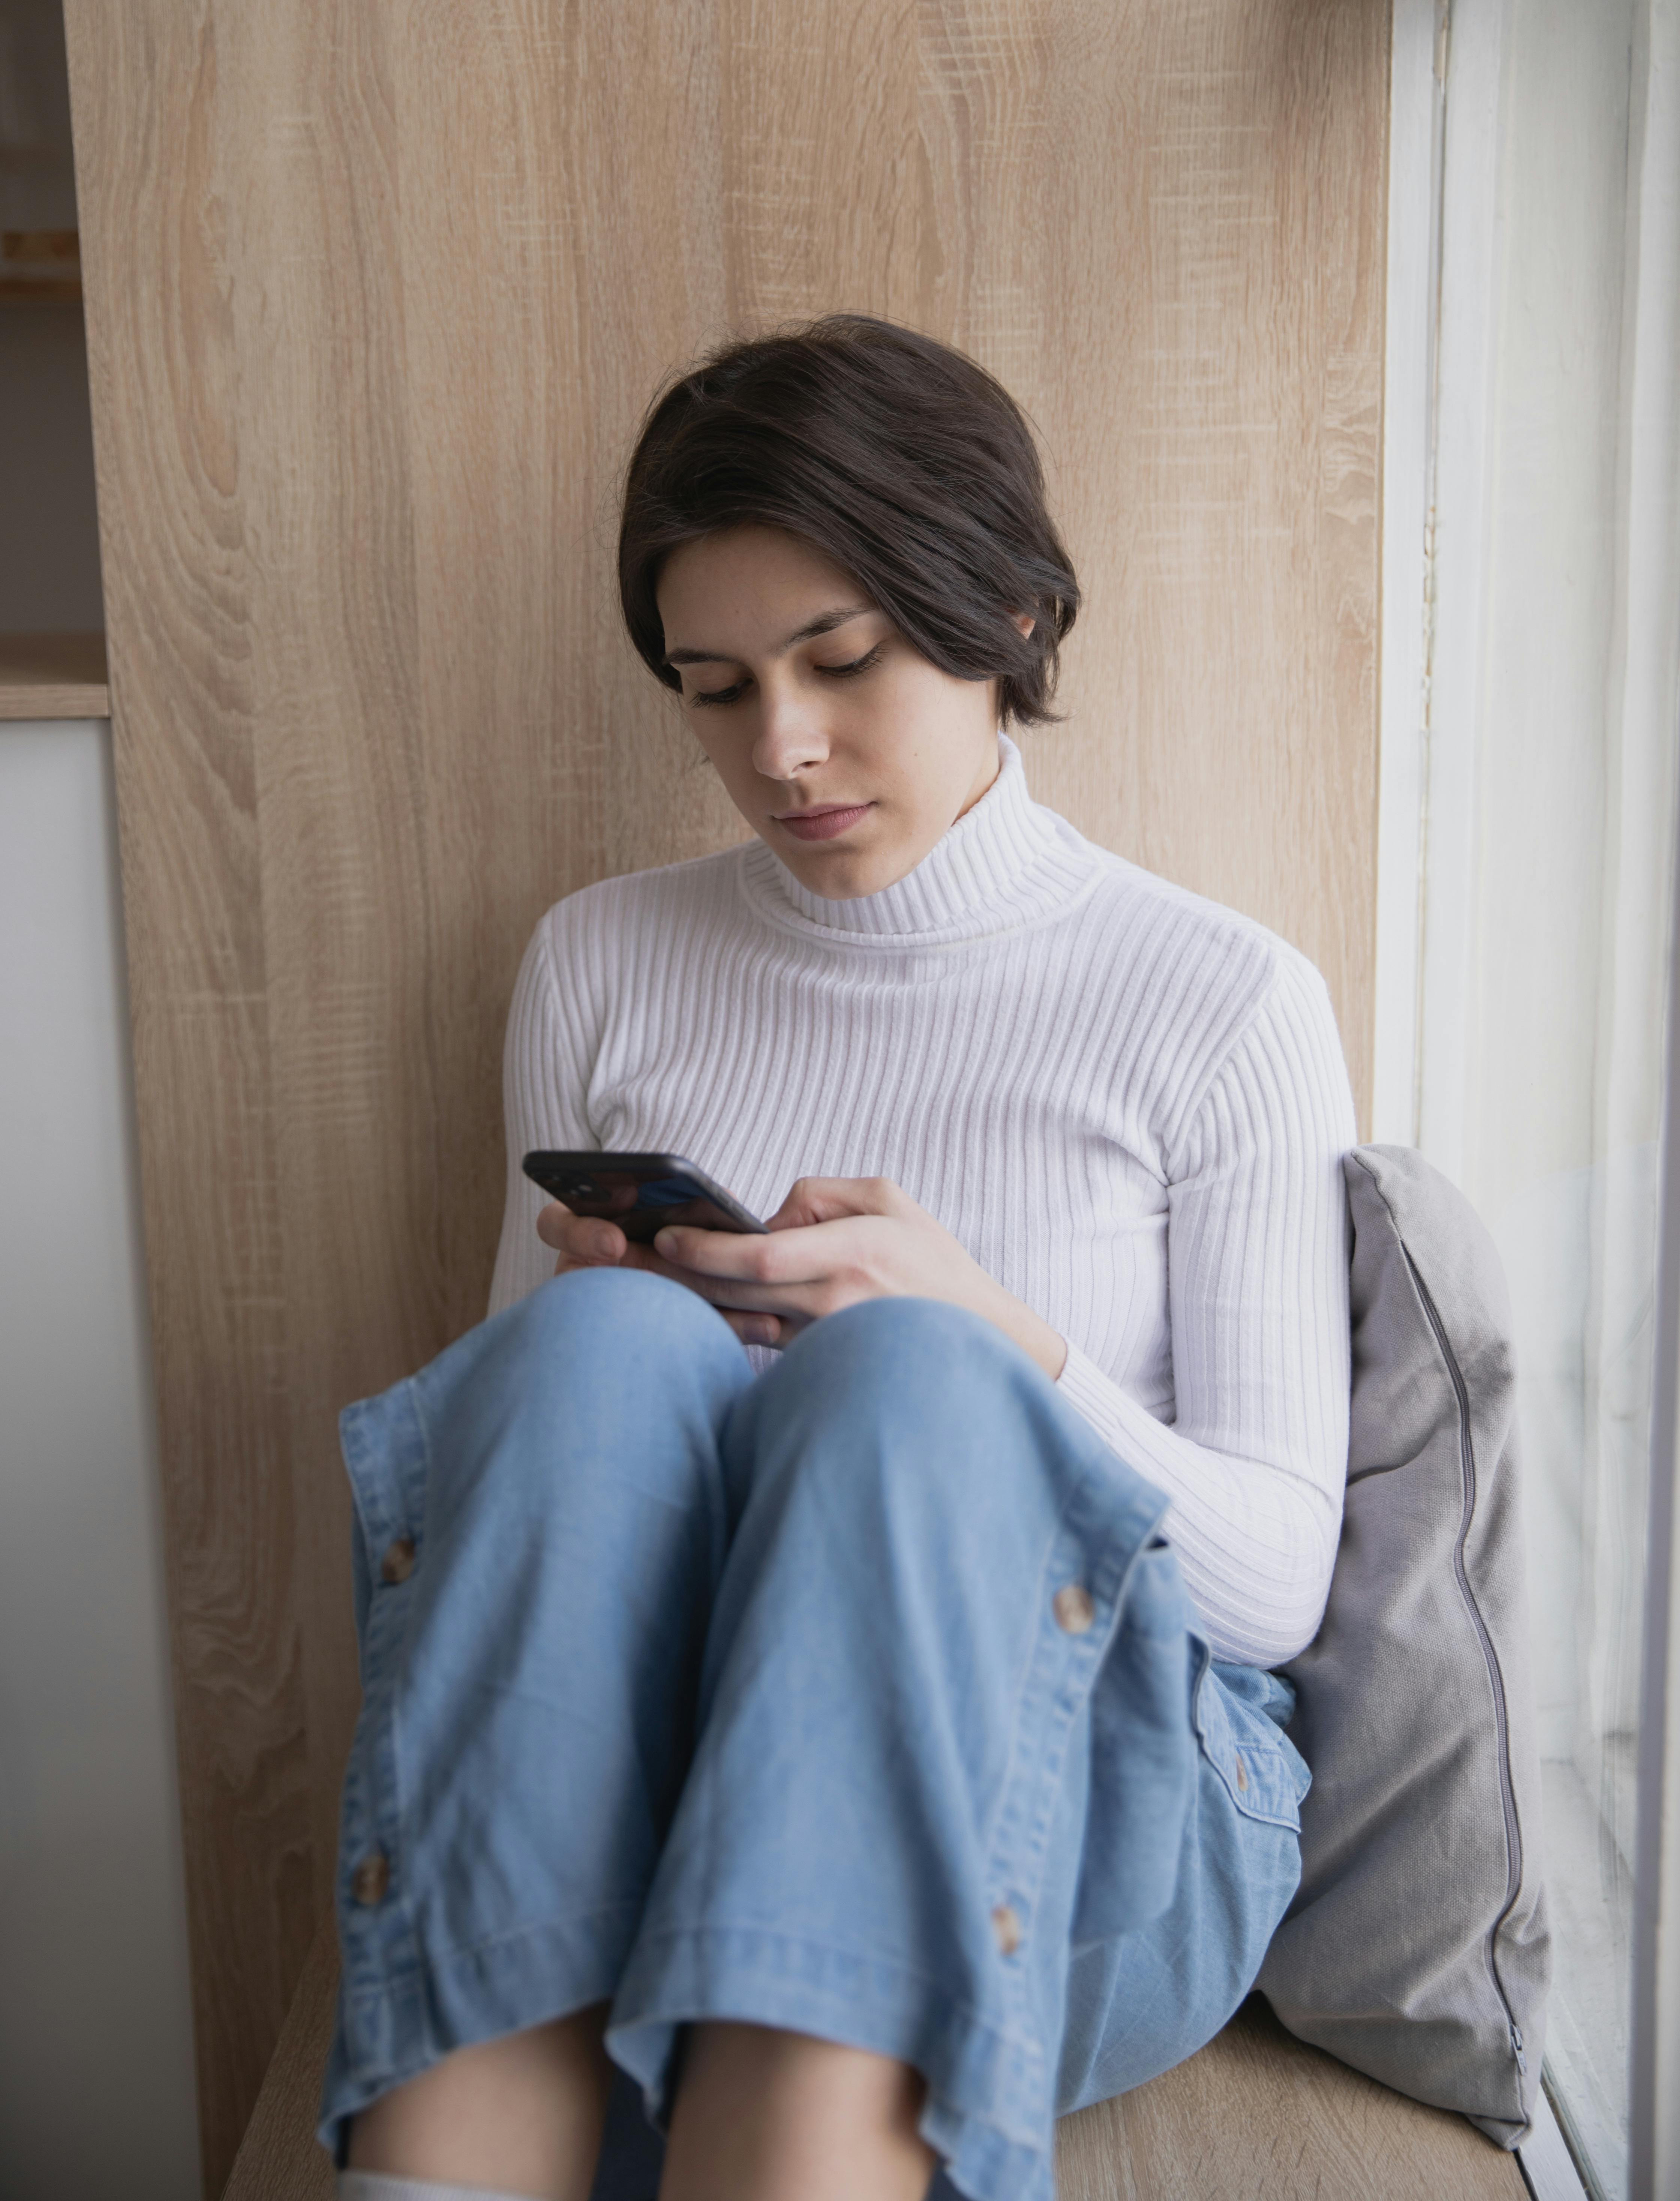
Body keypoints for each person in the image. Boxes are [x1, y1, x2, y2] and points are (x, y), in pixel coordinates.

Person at [320, 316, 1356, 2201]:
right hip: (650, 1801)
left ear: (1016, 623)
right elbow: (528, 1541)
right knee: (580, 1359)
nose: (779, 752)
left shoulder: (1217, 1001)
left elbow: (1276, 1590)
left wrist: (992, 1338)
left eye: (841, 662)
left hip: (1095, 1834)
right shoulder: (603, 958)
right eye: (713, 690)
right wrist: (621, 1316)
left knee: (909, 1378)